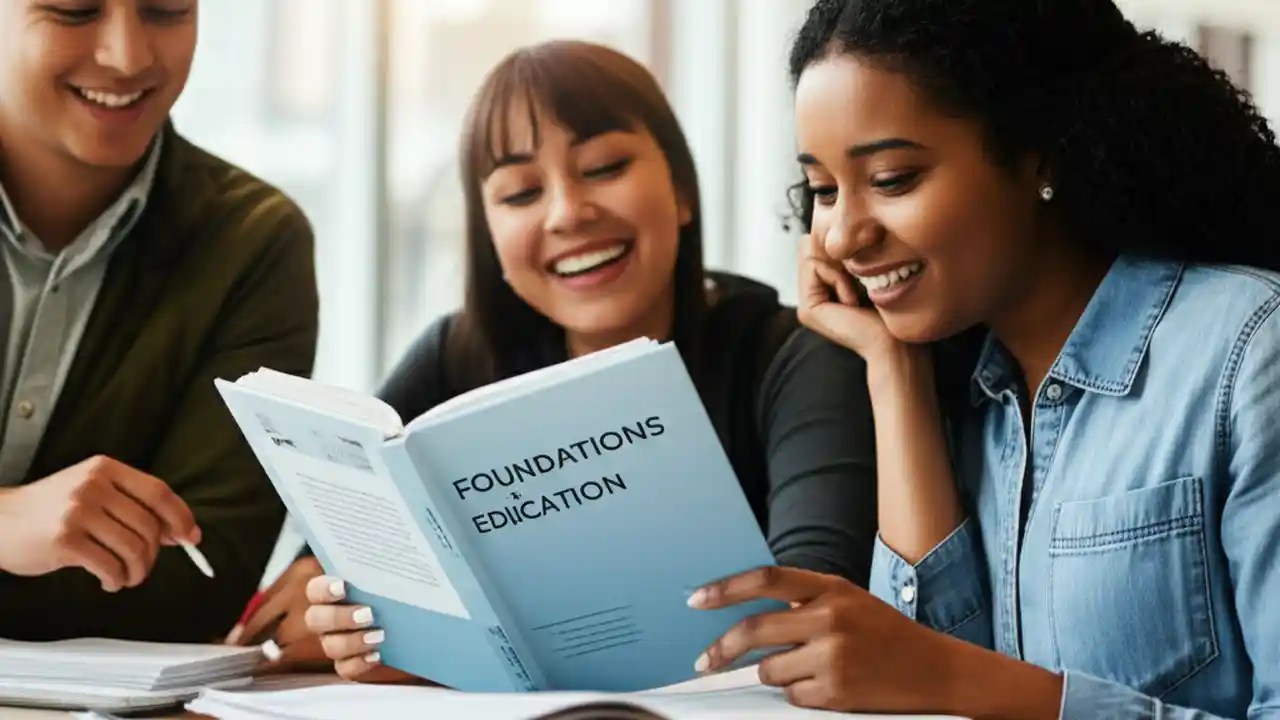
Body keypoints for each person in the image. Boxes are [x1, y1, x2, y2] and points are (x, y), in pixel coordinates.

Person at [687, 1, 1280, 718]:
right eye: (822, 190)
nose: (840, 236)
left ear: (1042, 156)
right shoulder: (956, 384)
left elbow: (933, 675)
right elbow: (910, 691)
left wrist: (949, 677)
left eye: (893, 178)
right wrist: (891, 368)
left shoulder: (1249, 352)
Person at [248, 39, 881, 680]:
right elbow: (308, 594)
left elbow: (814, 604)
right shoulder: (454, 358)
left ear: (682, 191)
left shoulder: (790, 355)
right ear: (488, 236)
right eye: (521, 193)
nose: (568, 213)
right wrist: (349, 627)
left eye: (605, 167)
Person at [0, 0, 319, 641]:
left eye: (167, 11)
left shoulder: (252, 244)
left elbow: (196, 588)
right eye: (74, 11)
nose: (129, 57)